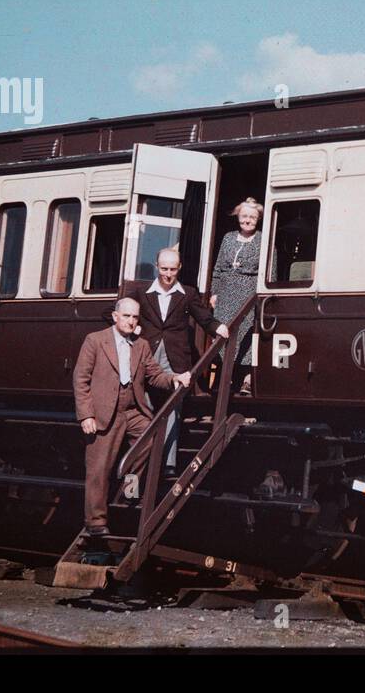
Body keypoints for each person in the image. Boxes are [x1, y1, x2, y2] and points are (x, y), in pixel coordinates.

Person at [73, 296, 191, 536]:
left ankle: (127, 489)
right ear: (116, 316)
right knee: (98, 469)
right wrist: (86, 415)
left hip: (133, 410)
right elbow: (80, 379)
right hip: (104, 413)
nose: (130, 321)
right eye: (126, 316)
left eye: (135, 317)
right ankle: (95, 523)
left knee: (150, 437)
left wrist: (174, 379)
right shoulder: (95, 341)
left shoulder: (141, 345)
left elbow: (154, 375)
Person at [119, 247, 228, 473]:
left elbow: (204, 318)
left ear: (179, 269)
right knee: (143, 405)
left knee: (172, 407)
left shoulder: (187, 293)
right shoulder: (141, 291)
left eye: (172, 269)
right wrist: (132, 327)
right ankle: (143, 460)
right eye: (164, 269)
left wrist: (219, 327)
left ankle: (167, 463)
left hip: (175, 358)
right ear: (157, 267)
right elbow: (112, 312)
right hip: (145, 355)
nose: (168, 274)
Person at [210, 197, 263, 396]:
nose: (247, 220)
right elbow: (217, 269)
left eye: (252, 217)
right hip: (225, 294)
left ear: (258, 219)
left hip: (248, 293)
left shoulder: (263, 239)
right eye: (244, 216)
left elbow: (271, 272)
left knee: (246, 337)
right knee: (224, 334)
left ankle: (246, 381)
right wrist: (215, 292)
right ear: (238, 217)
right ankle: (225, 378)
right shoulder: (228, 237)